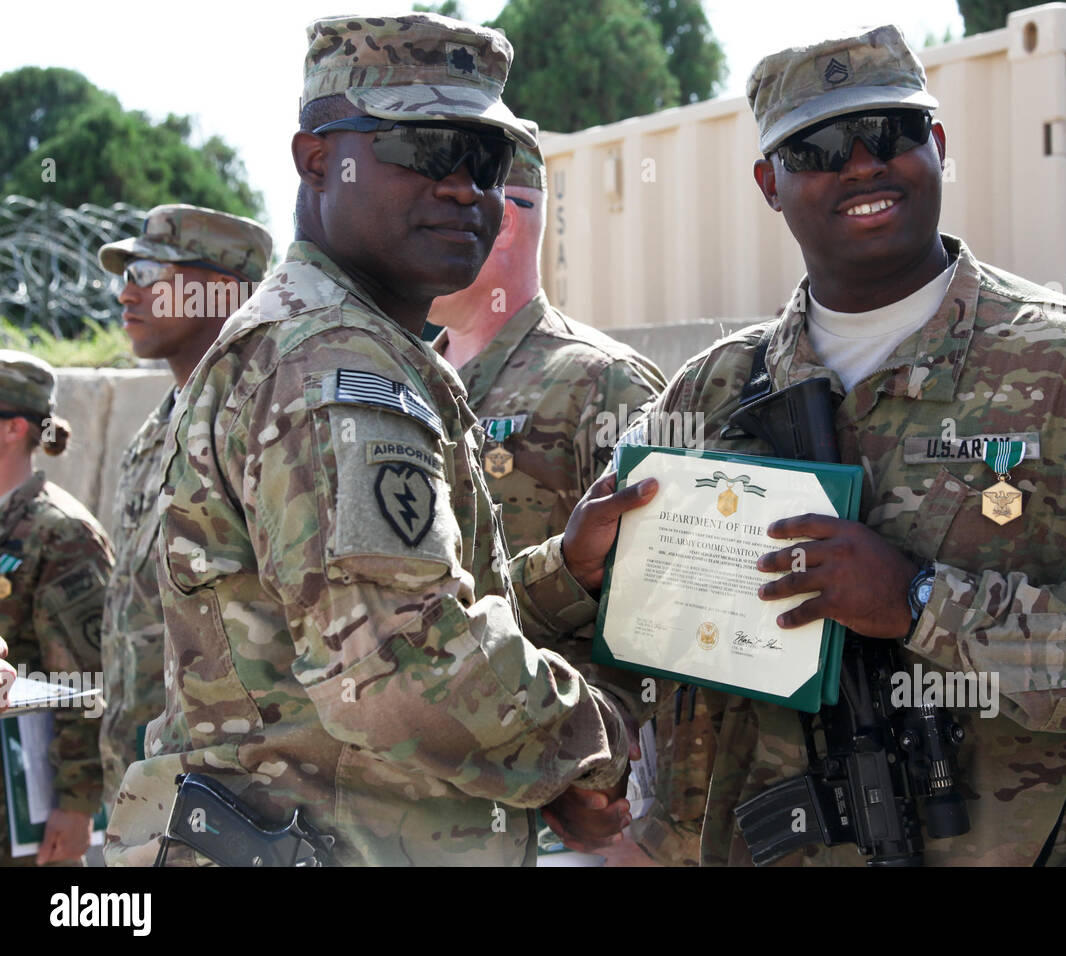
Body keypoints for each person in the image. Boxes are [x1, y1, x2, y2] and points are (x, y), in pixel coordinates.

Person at [620, 25, 1066, 865]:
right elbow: (633, 636)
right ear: (768, 184)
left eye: (893, 133)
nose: (861, 164)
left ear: (940, 147)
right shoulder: (710, 395)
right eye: (818, 148)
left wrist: (924, 604)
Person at [105, 12, 654, 867]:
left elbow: (336, 625)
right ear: (317, 157)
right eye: (424, 150)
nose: (465, 188)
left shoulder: (328, 340)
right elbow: (403, 665)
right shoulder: (334, 362)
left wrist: (560, 574)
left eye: (487, 160)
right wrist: (599, 749)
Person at [426, 124, 671, 858]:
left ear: (506, 217)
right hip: (424, 803)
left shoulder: (602, 384)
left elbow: (664, 616)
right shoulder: (400, 383)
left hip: (563, 820)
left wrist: (610, 780)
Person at [95, 204, 273, 813]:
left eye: (147, 270)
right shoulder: (154, 434)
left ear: (220, 291)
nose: (127, 292)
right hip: (144, 792)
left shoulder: (265, 427)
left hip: (237, 803)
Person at [0, 351, 113, 866]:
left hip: (21, 806)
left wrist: (77, 804)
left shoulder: (61, 533)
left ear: (13, 428)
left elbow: (86, 682)